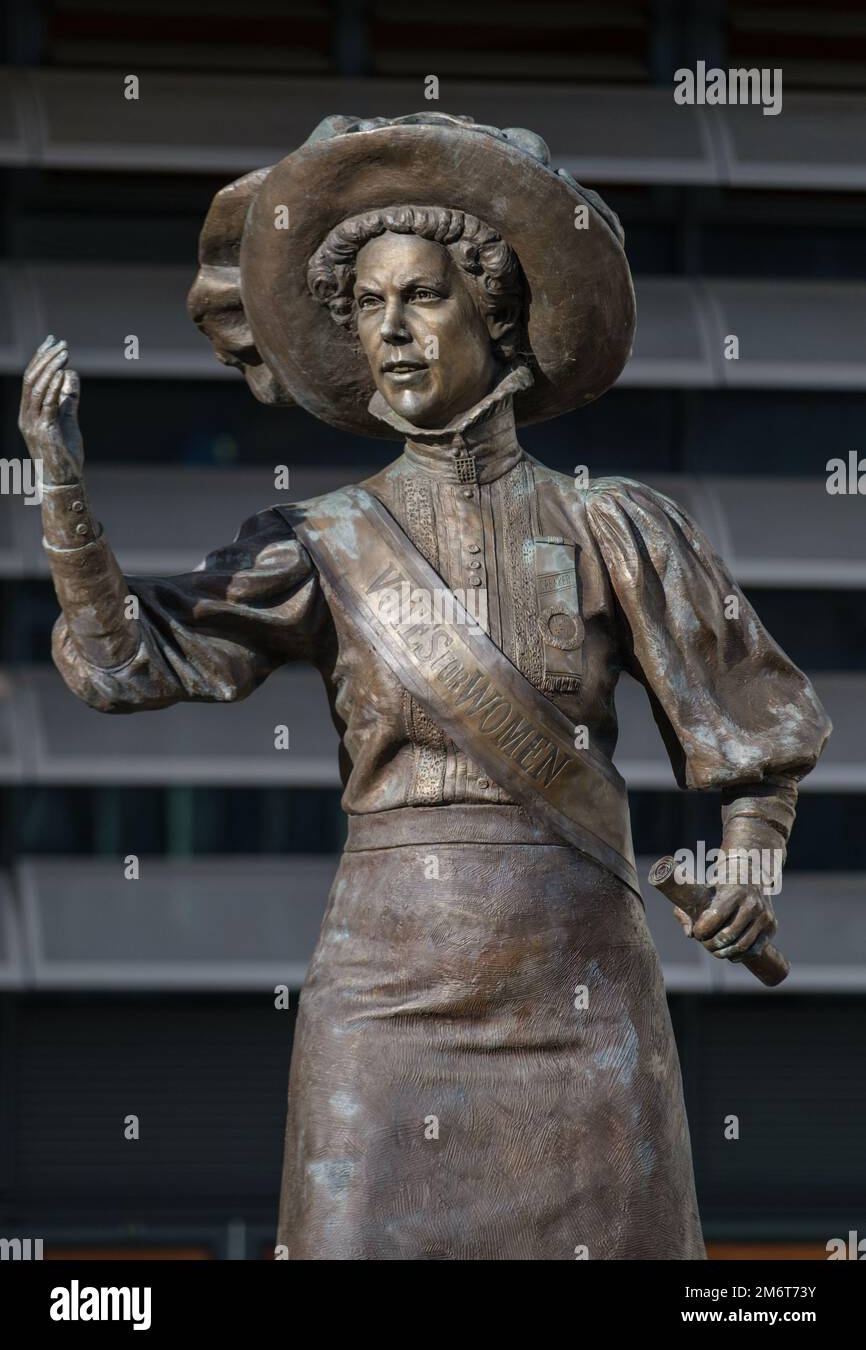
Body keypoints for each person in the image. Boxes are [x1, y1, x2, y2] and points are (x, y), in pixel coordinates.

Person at [18, 113, 830, 1260]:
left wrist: (749, 865)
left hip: (577, 981)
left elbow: (754, 735)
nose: (388, 332)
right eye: (364, 308)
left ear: (493, 311)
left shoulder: (611, 524)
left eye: (421, 298)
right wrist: (60, 497)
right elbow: (125, 667)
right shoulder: (320, 542)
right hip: (386, 992)